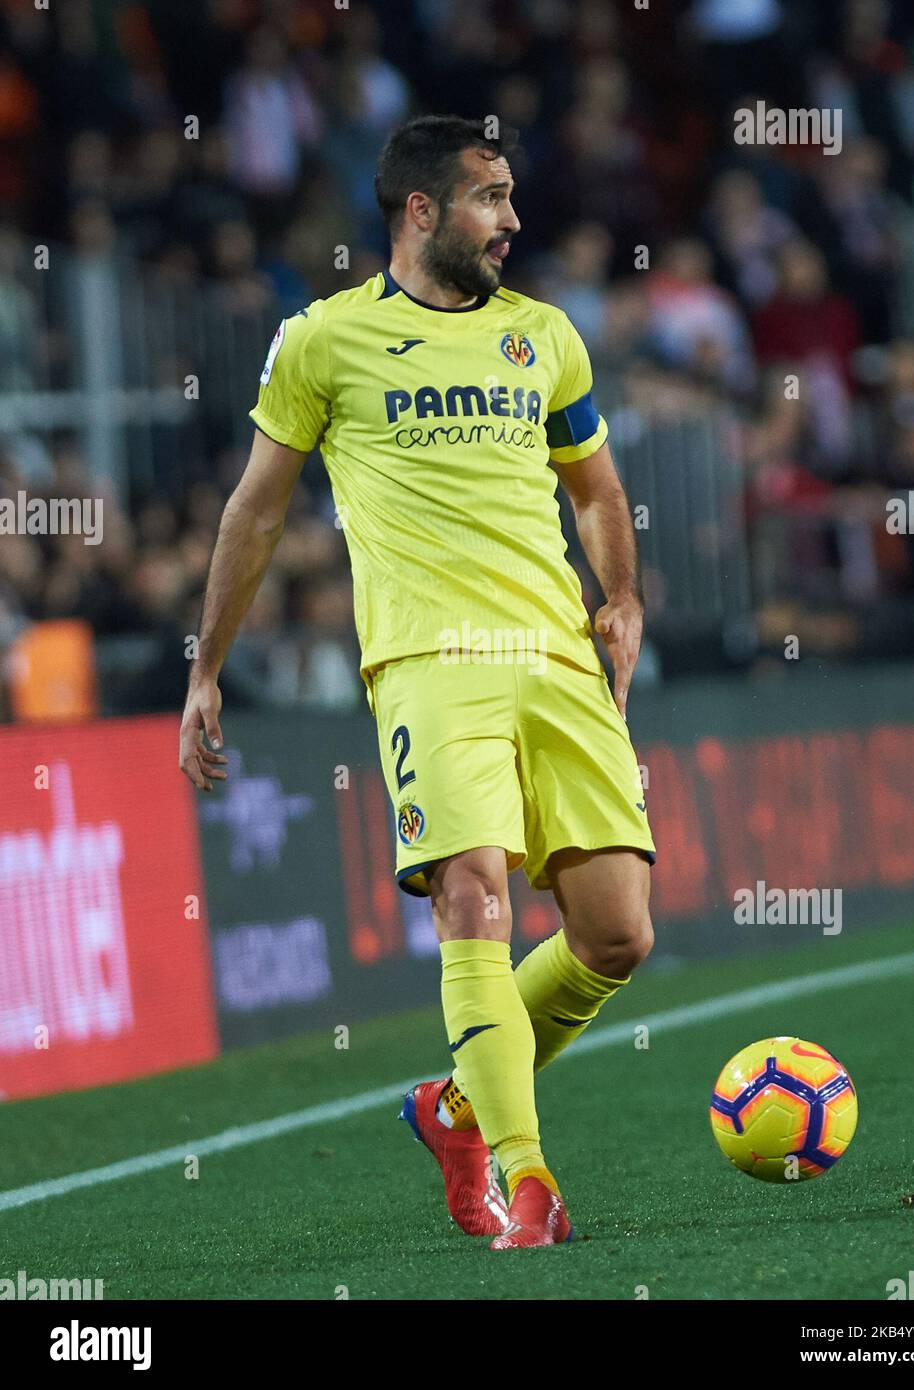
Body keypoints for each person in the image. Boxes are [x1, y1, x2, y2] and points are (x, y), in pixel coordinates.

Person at [179, 116, 655, 1251]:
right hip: (429, 664)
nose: (513, 222)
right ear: (421, 210)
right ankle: (526, 1179)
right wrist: (205, 668)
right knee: (476, 897)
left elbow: (592, 487)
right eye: (491, 198)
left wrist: (621, 596)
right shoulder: (323, 342)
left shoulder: (543, 337)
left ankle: (451, 1108)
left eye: (510, 196)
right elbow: (255, 508)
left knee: (616, 936)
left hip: (555, 659)